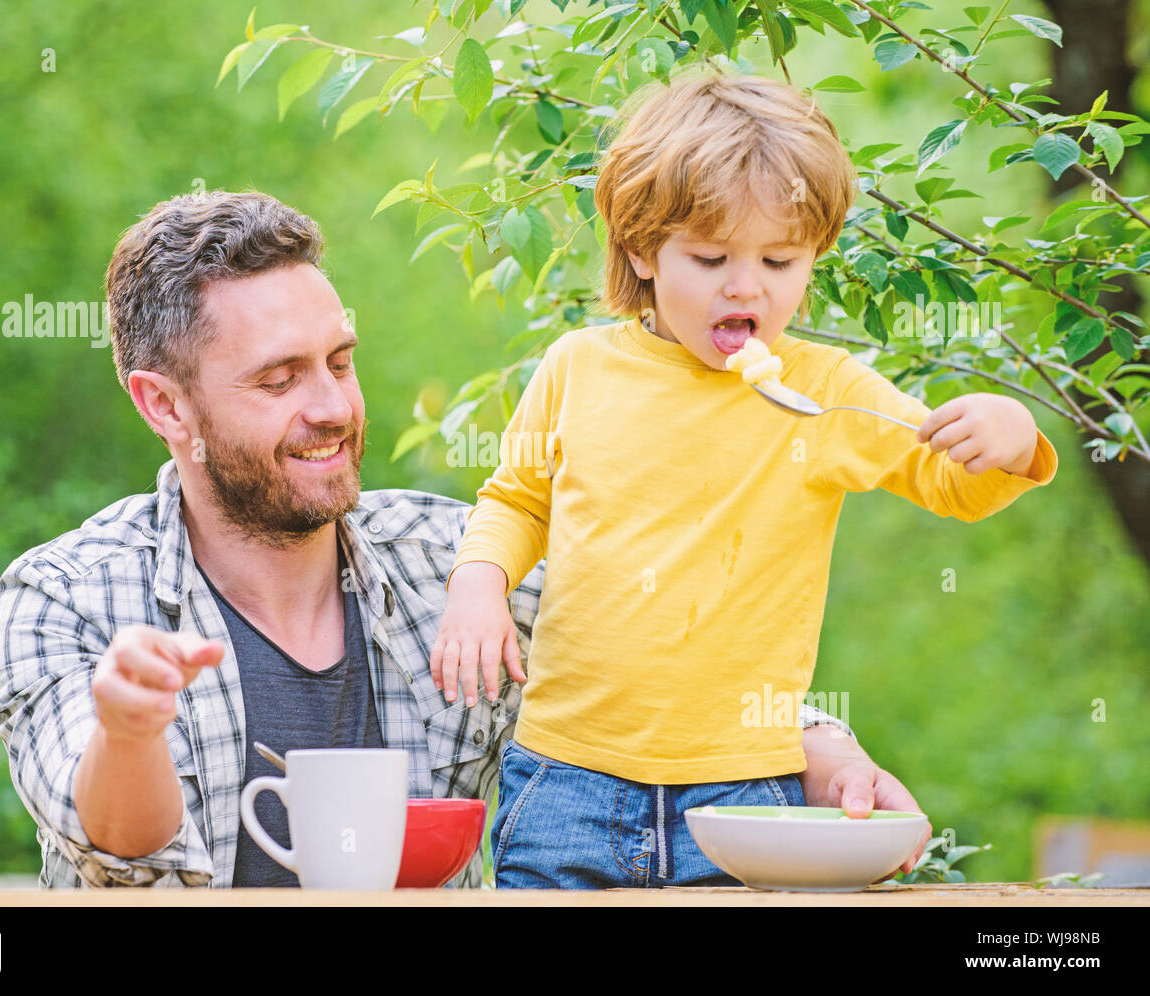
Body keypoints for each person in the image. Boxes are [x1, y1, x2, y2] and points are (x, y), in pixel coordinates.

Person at [0, 189, 932, 890]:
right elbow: (116, 848)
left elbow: (641, 653)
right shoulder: (70, 593)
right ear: (165, 404)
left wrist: (825, 751)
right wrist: (129, 725)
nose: (332, 408)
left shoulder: (451, 562)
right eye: (279, 381)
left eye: (340, 362)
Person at [432, 71, 1059, 889]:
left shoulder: (825, 390)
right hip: (565, 777)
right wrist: (478, 583)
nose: (746, 285)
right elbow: (516, 500)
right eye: (710, 256)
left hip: (744, 788)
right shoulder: (577, 369)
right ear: (639, 249)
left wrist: (1011, 437)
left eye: (778, 258)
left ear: (814, 255)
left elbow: (948, 477)